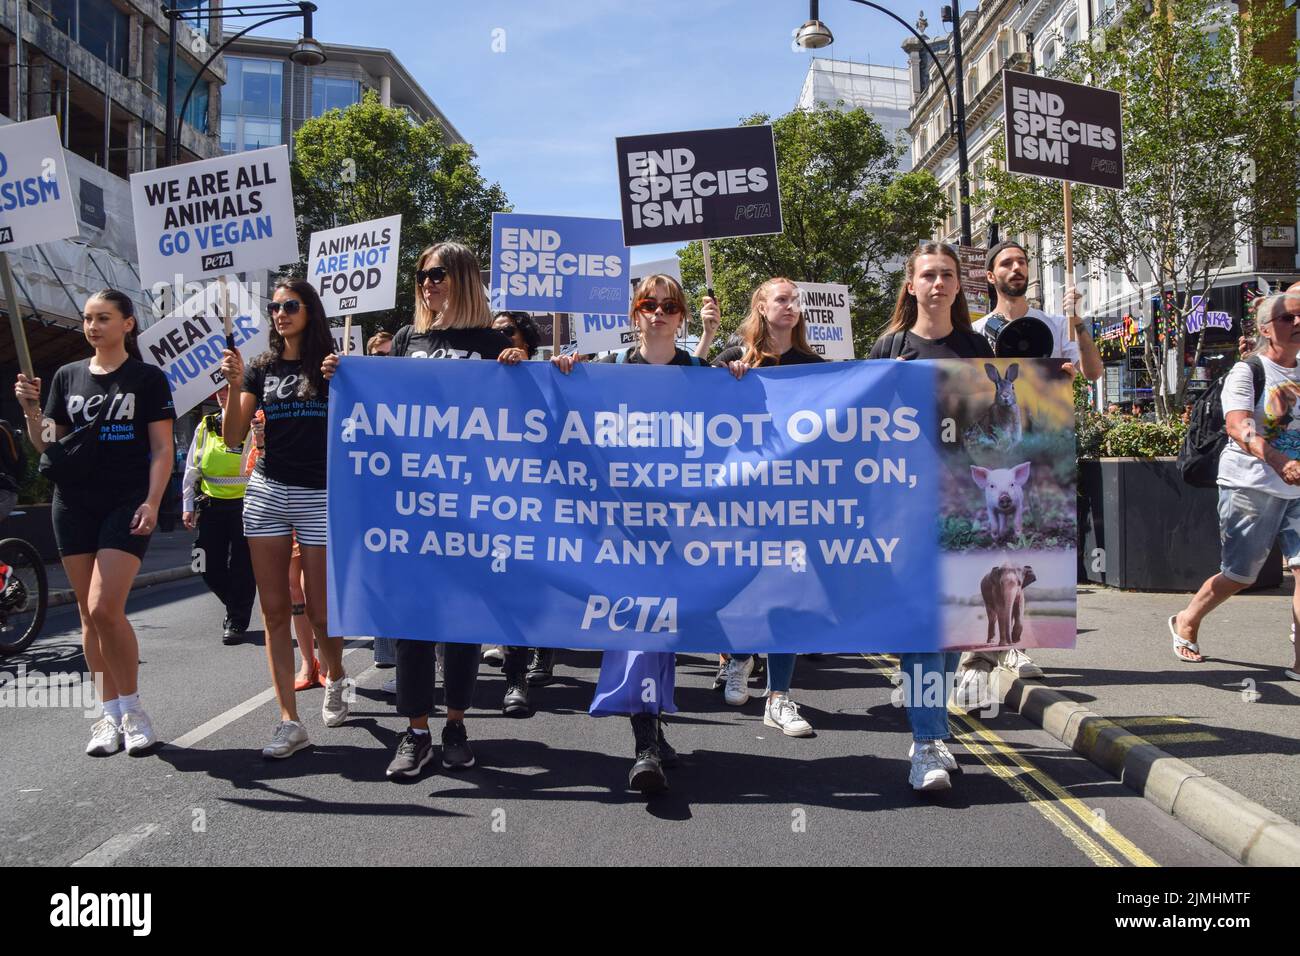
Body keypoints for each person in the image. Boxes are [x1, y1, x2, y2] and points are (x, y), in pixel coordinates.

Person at [322, 242, 527, 780]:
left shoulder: (492, 342)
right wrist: (344, 375)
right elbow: (381, 405)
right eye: (421, 276)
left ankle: (456, 724)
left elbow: (521, 417)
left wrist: (521, 369)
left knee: (462, 621)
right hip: (409, 506)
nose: (428, 283)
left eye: (438, 274)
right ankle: (416, 732)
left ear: (462, 278)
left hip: (472, 505)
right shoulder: (409, 338)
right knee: (410, 620)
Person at [553, 273, 722, 793]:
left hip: (683, 521)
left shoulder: (699, 371)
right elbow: (567, 418)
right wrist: (561, 372)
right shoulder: (609, 372)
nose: (659, 312)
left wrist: (733, 367)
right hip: (627, 523)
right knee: (638, 626)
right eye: (649, 304)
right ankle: (645, 742)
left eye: (670, 305)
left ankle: (655, 730)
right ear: (634, 314)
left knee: (664, 629)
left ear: (682, 317)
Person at [14, 289, 175, 756]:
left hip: (126, 501)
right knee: (88, 613)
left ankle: (135, 709)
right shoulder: (67, 376)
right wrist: (30, 408)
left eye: (103, 318)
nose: (92, 326)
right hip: (73, 502)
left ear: (127, 324)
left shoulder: (147, 379)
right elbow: (48, 445)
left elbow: (163, 449)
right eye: (87, 318)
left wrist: (152, 499)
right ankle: (109, 718)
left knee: (106, 607)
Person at [953, 240, 1104, 703]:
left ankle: (1014, 646)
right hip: (990, 458)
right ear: (992, 275)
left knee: (1030, 543)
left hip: (1038, 448)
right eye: (1006, 263)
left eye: (1022, 262)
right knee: (989, 548)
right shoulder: (977, 330)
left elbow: (1094, 372)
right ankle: (979, 648)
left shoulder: (1056, 325)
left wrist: (1077, 327)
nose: (1016, 268)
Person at [869, 243, 993, 791]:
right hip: (907, 509)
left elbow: (999, 420)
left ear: (957, 285)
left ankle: (932, 729)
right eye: (928, 275)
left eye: (947, 274)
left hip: (966, 502)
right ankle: (926, 743)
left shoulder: (977, 347)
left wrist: (1048, 383)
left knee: (953, 627)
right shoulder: (891, 347)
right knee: (924, 626)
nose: (938, 283)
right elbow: (863, 430)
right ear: (911, 284)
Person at [219, 279, 346, 759]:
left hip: (320, 494)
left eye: (290, 305)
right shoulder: (260, 369)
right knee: (274, 611)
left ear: (310, 311)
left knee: (320, 609)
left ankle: (335, 675)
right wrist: (233, 387)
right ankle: (289, 721)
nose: (280, 313)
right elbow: (233, 438)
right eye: (274, 307)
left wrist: (343, 379)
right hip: (267, 492)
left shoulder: (333, 365)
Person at [710, 276, 822, 736]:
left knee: (785, 595)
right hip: (741, 500)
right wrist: (720, 369)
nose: (791, 306)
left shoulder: (814, 366)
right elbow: (687, 401)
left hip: (792, 502)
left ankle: (779, 697)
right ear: (760, 306)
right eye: (782, 299)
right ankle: (738, 657)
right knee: (741, 588)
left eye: (796, 301)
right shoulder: (733, 361)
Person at [1171, 284, 1300, 682]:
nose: (1298, 323)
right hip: (1250, 485)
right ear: (1265, 328)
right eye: (1288, 318)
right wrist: (1279, 460)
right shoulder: (1248, 371)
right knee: (1240, 574)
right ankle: (1187, 619)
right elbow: (1237, 425)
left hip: (1297, 489)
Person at [181, 385, 255, 644]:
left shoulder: (254, 423)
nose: (223, 394)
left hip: (246, 505)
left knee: (243, 567)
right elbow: (192, 467)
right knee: (203, 563)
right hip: (211, 505)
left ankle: (236, 620)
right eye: (219, 391)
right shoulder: (206, 424)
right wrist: (187, 505)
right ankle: (236, 603)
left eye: (229, 388)